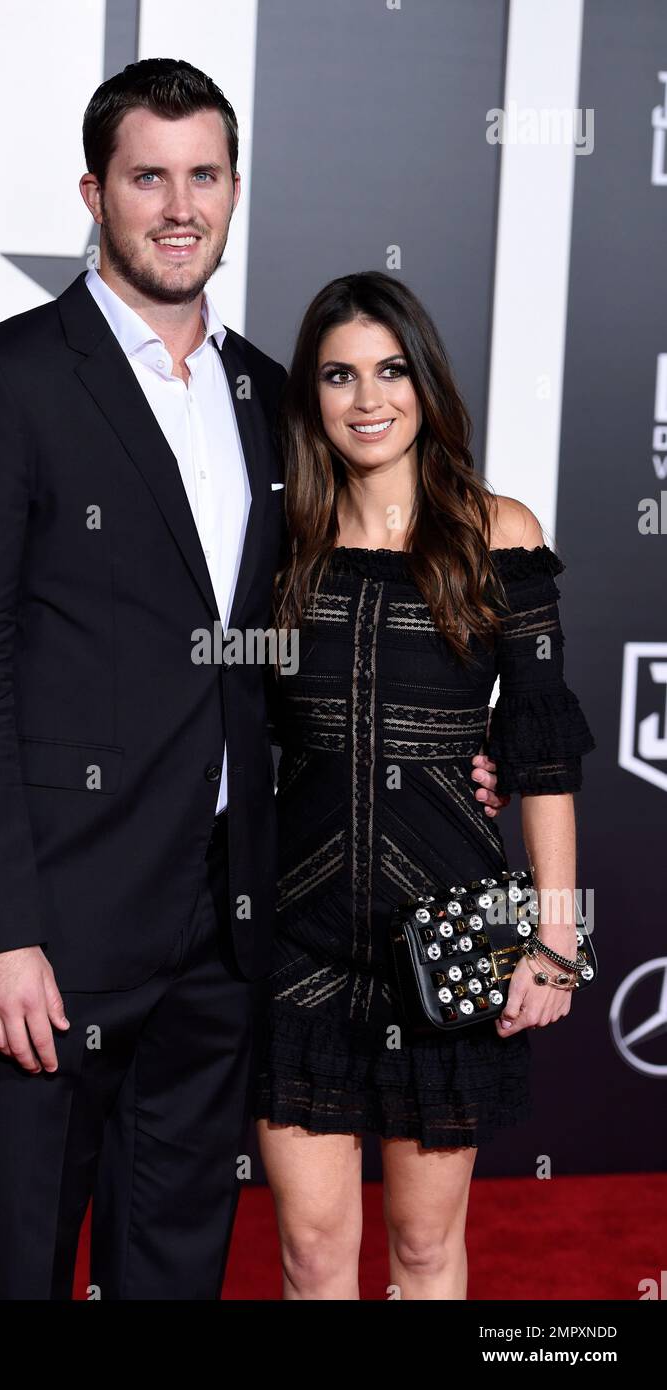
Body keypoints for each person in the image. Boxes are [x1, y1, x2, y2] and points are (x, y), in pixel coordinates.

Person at [0, 61, 505, 1301]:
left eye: (203, 176)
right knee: (13, 1269)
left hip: (232, 928)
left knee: (173, 1264)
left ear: (233, 192)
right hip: (52, 931)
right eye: (146, 177)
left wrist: (447, 755)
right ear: (94, 192)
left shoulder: (270, 401)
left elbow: (321, 640)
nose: (178, 206)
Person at [253, 271, 597, 1300]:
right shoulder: (278, 549)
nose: (367, 398)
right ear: (309, 396)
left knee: (420, 1252)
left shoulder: (497, 531)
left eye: (389, 369)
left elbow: (539, 751)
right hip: (299, 942)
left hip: (447, 943)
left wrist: (555, 938)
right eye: (338, 375)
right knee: (310, 1253)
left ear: (425, 381)